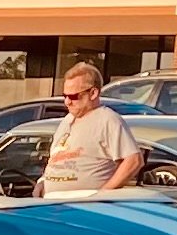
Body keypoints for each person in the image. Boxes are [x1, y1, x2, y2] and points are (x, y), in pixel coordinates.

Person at [42, 61, 144, 194]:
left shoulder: (108, 120)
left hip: (85, 207)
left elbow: (134, 160)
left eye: (73, 96)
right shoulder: (66, 121)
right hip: (53, 205)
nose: (67, 102)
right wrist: (42, 182)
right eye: (65, 96)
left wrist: (103, 194)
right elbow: (55, 159)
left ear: (93, 93)